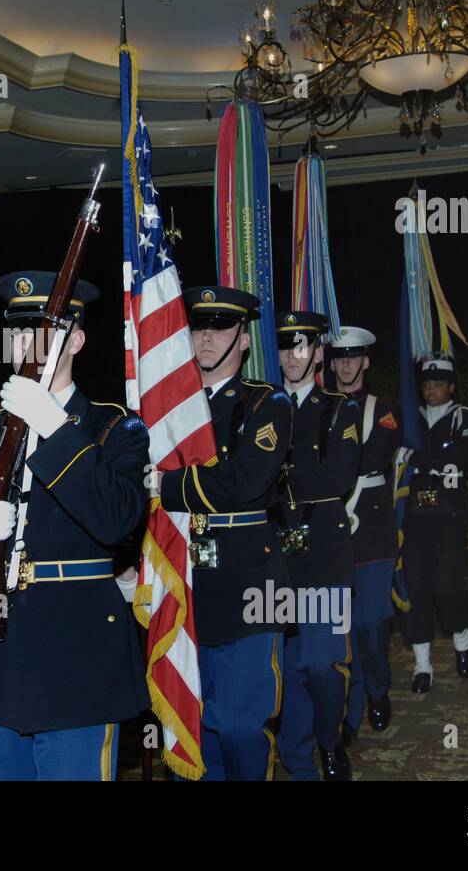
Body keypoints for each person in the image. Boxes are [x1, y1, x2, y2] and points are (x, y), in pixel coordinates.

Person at [0, 270, 150, 781]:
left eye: (44, 331)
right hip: (3, 653)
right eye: (20, 333)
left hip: (80, 655)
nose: (28, 345)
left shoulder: (115, 427)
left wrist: (52, 425)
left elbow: (117, 520)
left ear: (76, 339)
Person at [151, 286, 293, 781]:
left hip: (252, 584)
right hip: (187, 580)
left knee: (239, 726)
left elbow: (242, 483)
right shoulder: (166, 409)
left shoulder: (266, 404)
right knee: (194, 722)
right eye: (199, 327)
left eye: (221, 327)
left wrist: (165, 484)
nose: (207, 337)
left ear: (245, 340)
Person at [274, 310, 361, 781]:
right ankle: (296, 756)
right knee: (288, 671)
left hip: (324, 557)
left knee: (322, 666)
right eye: (287, 346)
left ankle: (330, 738)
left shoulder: (338, 409)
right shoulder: (260, 407)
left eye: (303, 345)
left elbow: (340, 476)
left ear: (319, 353)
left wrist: (276, 476)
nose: (293, 355)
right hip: (273, 561)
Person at [330, 327, 403, 738]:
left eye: (352, 357)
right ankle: (350, 714)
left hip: (372, 529)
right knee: (343, 628)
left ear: (365, 362)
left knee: (372, 623)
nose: (345, 364)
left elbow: (371, 456)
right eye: (339, 357)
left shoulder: (385, 410)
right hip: (333, 533)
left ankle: (378, 688)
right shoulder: (319, 409)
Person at [401, 356, 468, 691]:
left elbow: (461, 460)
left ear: (451, 386)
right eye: (426, 383)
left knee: (446, 586)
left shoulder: (465, 417)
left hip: (449, 514)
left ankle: (462, 636)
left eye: (438, 383)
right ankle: (423, 665)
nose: (431, 389)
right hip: (416, 517)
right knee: (416, 588)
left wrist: (416, 457)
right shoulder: (411, 417)